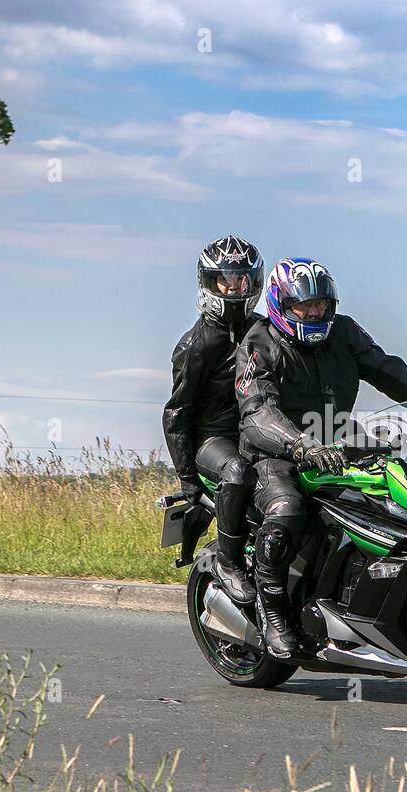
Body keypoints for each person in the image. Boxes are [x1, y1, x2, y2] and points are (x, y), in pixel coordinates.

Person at [234, 257, 407, 659]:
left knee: (403, 482)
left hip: (336, 439)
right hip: (274, 452)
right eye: (304, 305)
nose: (315, 312)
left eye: (321, 304)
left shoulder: (343, 332)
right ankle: (273, 608)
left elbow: (386, 369)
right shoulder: (258, 345)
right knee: (288, 512)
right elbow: (258, 410)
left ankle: (379, 596)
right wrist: (300, 445)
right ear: (281, 303)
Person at [162, 235, 265, 604]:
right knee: (237, 471)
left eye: (243, 278)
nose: (236, 287)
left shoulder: (263, 330)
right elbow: (176, 412)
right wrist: (187, 478)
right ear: (209, 283)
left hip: (257, 432)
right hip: (214, 439)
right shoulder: (196, 345)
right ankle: (228, 562)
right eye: (226, 279)